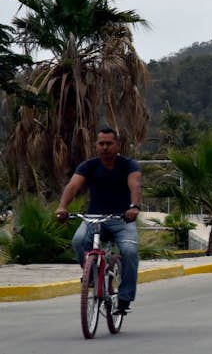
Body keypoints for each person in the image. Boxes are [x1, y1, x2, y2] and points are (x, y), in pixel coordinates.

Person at [56, 127, 141, 314]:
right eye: (101, 143)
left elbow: (134, 184)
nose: (105, 147)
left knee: (129, 251)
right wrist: (62, 206)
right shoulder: (89, 166)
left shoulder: (128, 165)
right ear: (96, 145)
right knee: (79, 241)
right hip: (94, 219)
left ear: (117, 145)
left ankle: (125, 298)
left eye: (109, 143)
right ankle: (91, 277)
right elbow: (73, 186)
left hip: (122, 220)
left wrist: (134, 206)